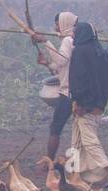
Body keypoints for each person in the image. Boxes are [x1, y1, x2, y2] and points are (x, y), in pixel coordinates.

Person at [66, 21, 108, 187]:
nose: (72, 35)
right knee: (76, 141)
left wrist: (77, 101)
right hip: (99, 104)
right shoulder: (102, 53)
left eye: (74, 32)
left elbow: (77, 79)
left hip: (84, 105)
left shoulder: (79, 52)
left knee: (89, 140)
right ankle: (74, 175)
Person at [31, 10, 77, 160]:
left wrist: (45, 41)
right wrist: (47, 64)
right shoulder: (72, 40)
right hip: (74, 91)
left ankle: (49, 161)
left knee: (55, 128)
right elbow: (62, 68)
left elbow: (61, 61)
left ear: (64, 23)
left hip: (68, 93)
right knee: (76, 130)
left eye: (57, 23)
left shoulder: (68, 41)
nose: (55, 26)